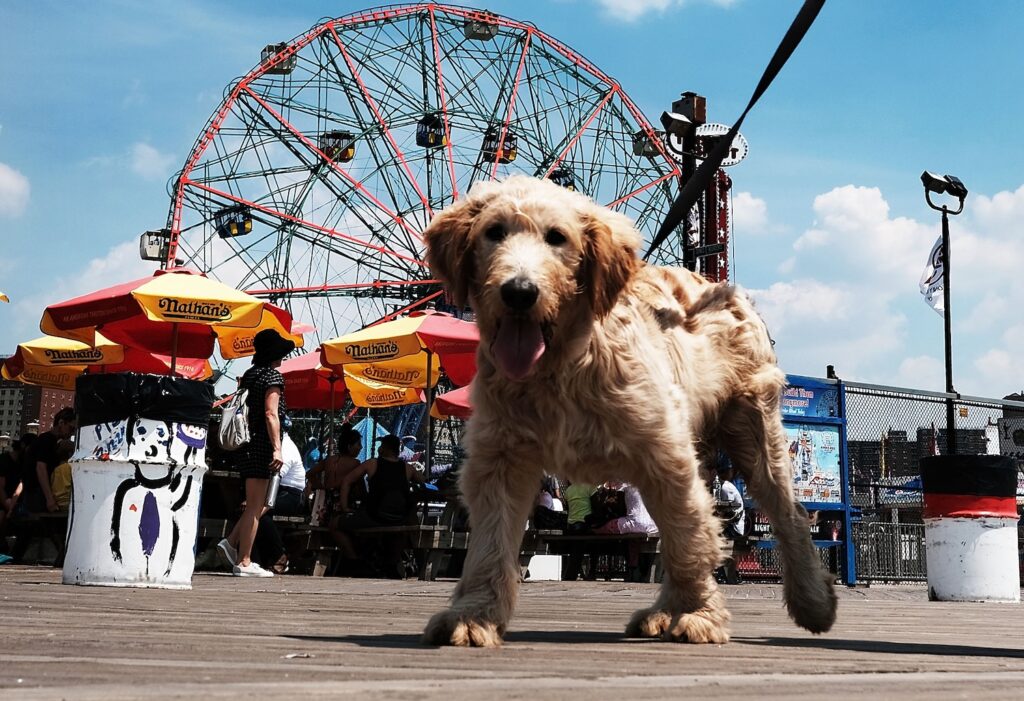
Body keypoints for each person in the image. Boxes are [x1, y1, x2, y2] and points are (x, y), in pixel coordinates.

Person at [219, 328, 294, 578]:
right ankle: (244, 560)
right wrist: (277, 448)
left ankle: (232, 545)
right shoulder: (272, 377)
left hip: (245, 445)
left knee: (253, 503)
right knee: (255, 506)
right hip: (262, 445)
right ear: (275, 354)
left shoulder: (250, 375)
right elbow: (271, 413)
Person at [330, 434, 424, 569]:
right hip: (398, 518)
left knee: (334, 524)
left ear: (386, 448)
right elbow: (424, 482)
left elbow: (347, 481)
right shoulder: (407, 468)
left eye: (381, 446)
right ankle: (392, 563)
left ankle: (353, 560)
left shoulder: (372, 463)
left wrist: (345, 507)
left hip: (374, 516)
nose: (379, 449)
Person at [252, 432, 307, 574]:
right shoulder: (270, 446)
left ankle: (279, 555)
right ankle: (255, 560)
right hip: (275, 491)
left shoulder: (286, 447)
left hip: (291, 495)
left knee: (258, 514)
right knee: (250, 513)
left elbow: (275, 478)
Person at [24, 408, 76, 514]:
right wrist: (49, 498)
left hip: (38, 492)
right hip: (37, 493)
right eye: (71, 428)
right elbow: (40, 468)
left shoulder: (50, 441)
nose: (71, 433)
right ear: (61, 423)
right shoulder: (47, 440)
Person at [48, 440, 75, 512]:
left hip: (58, 504)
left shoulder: (55, 470)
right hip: (70, 504)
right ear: (70, 453)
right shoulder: (72, 467)